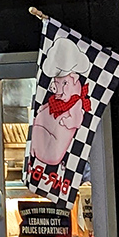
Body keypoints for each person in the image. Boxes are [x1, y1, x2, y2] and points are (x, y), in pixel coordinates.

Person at [29, 38, 91, 167]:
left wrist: (68, 121)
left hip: (53, 149)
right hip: (39, 139)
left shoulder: (76, 102)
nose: (59, 88)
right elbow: (48, 106)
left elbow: (77, 119)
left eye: (64, 83)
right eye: (57, 83)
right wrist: (43, 109)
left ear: (74, 80)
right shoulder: (54, 100)